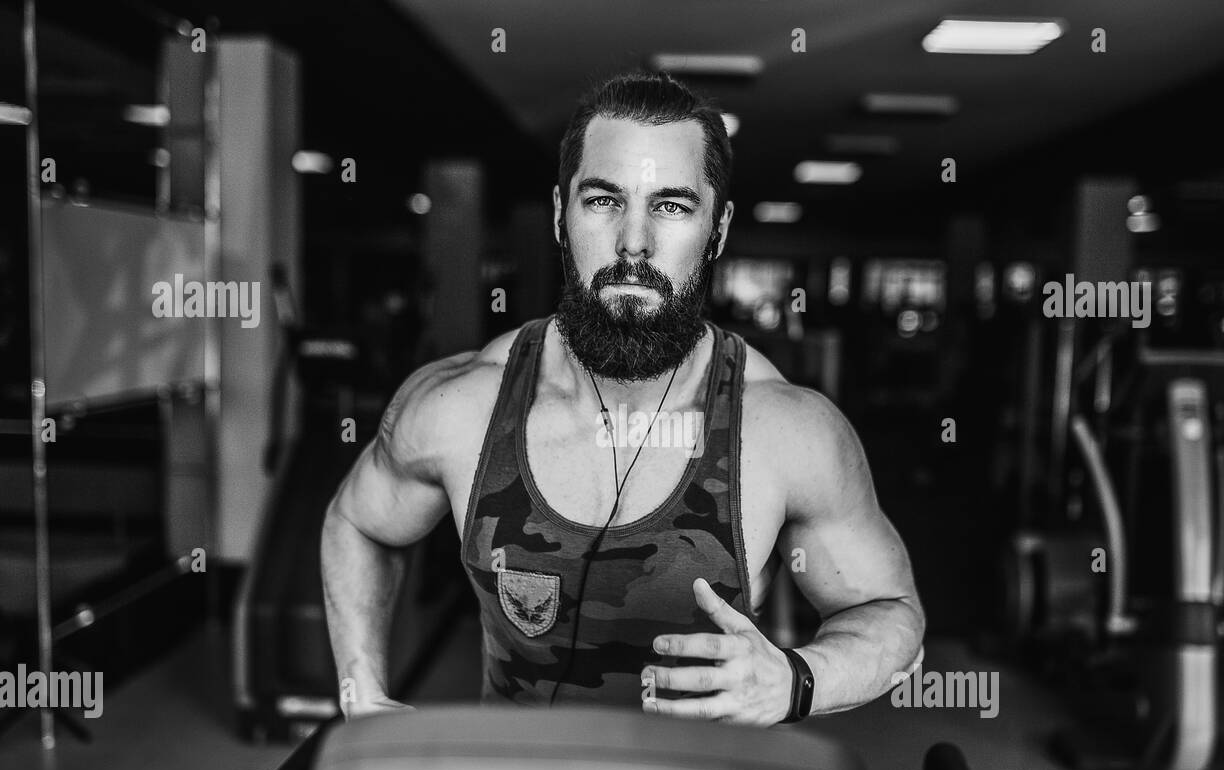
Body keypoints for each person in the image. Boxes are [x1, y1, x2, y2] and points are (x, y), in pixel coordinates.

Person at [321, 72, 924, 727]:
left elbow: (892, 615)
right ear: (560, 213)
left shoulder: (788, 431)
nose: (633, 244)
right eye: (605, 200)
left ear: (718, 229)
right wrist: (361, 691)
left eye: (671, 206)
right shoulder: (460, 406)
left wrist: (798, 681)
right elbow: (359, 524)